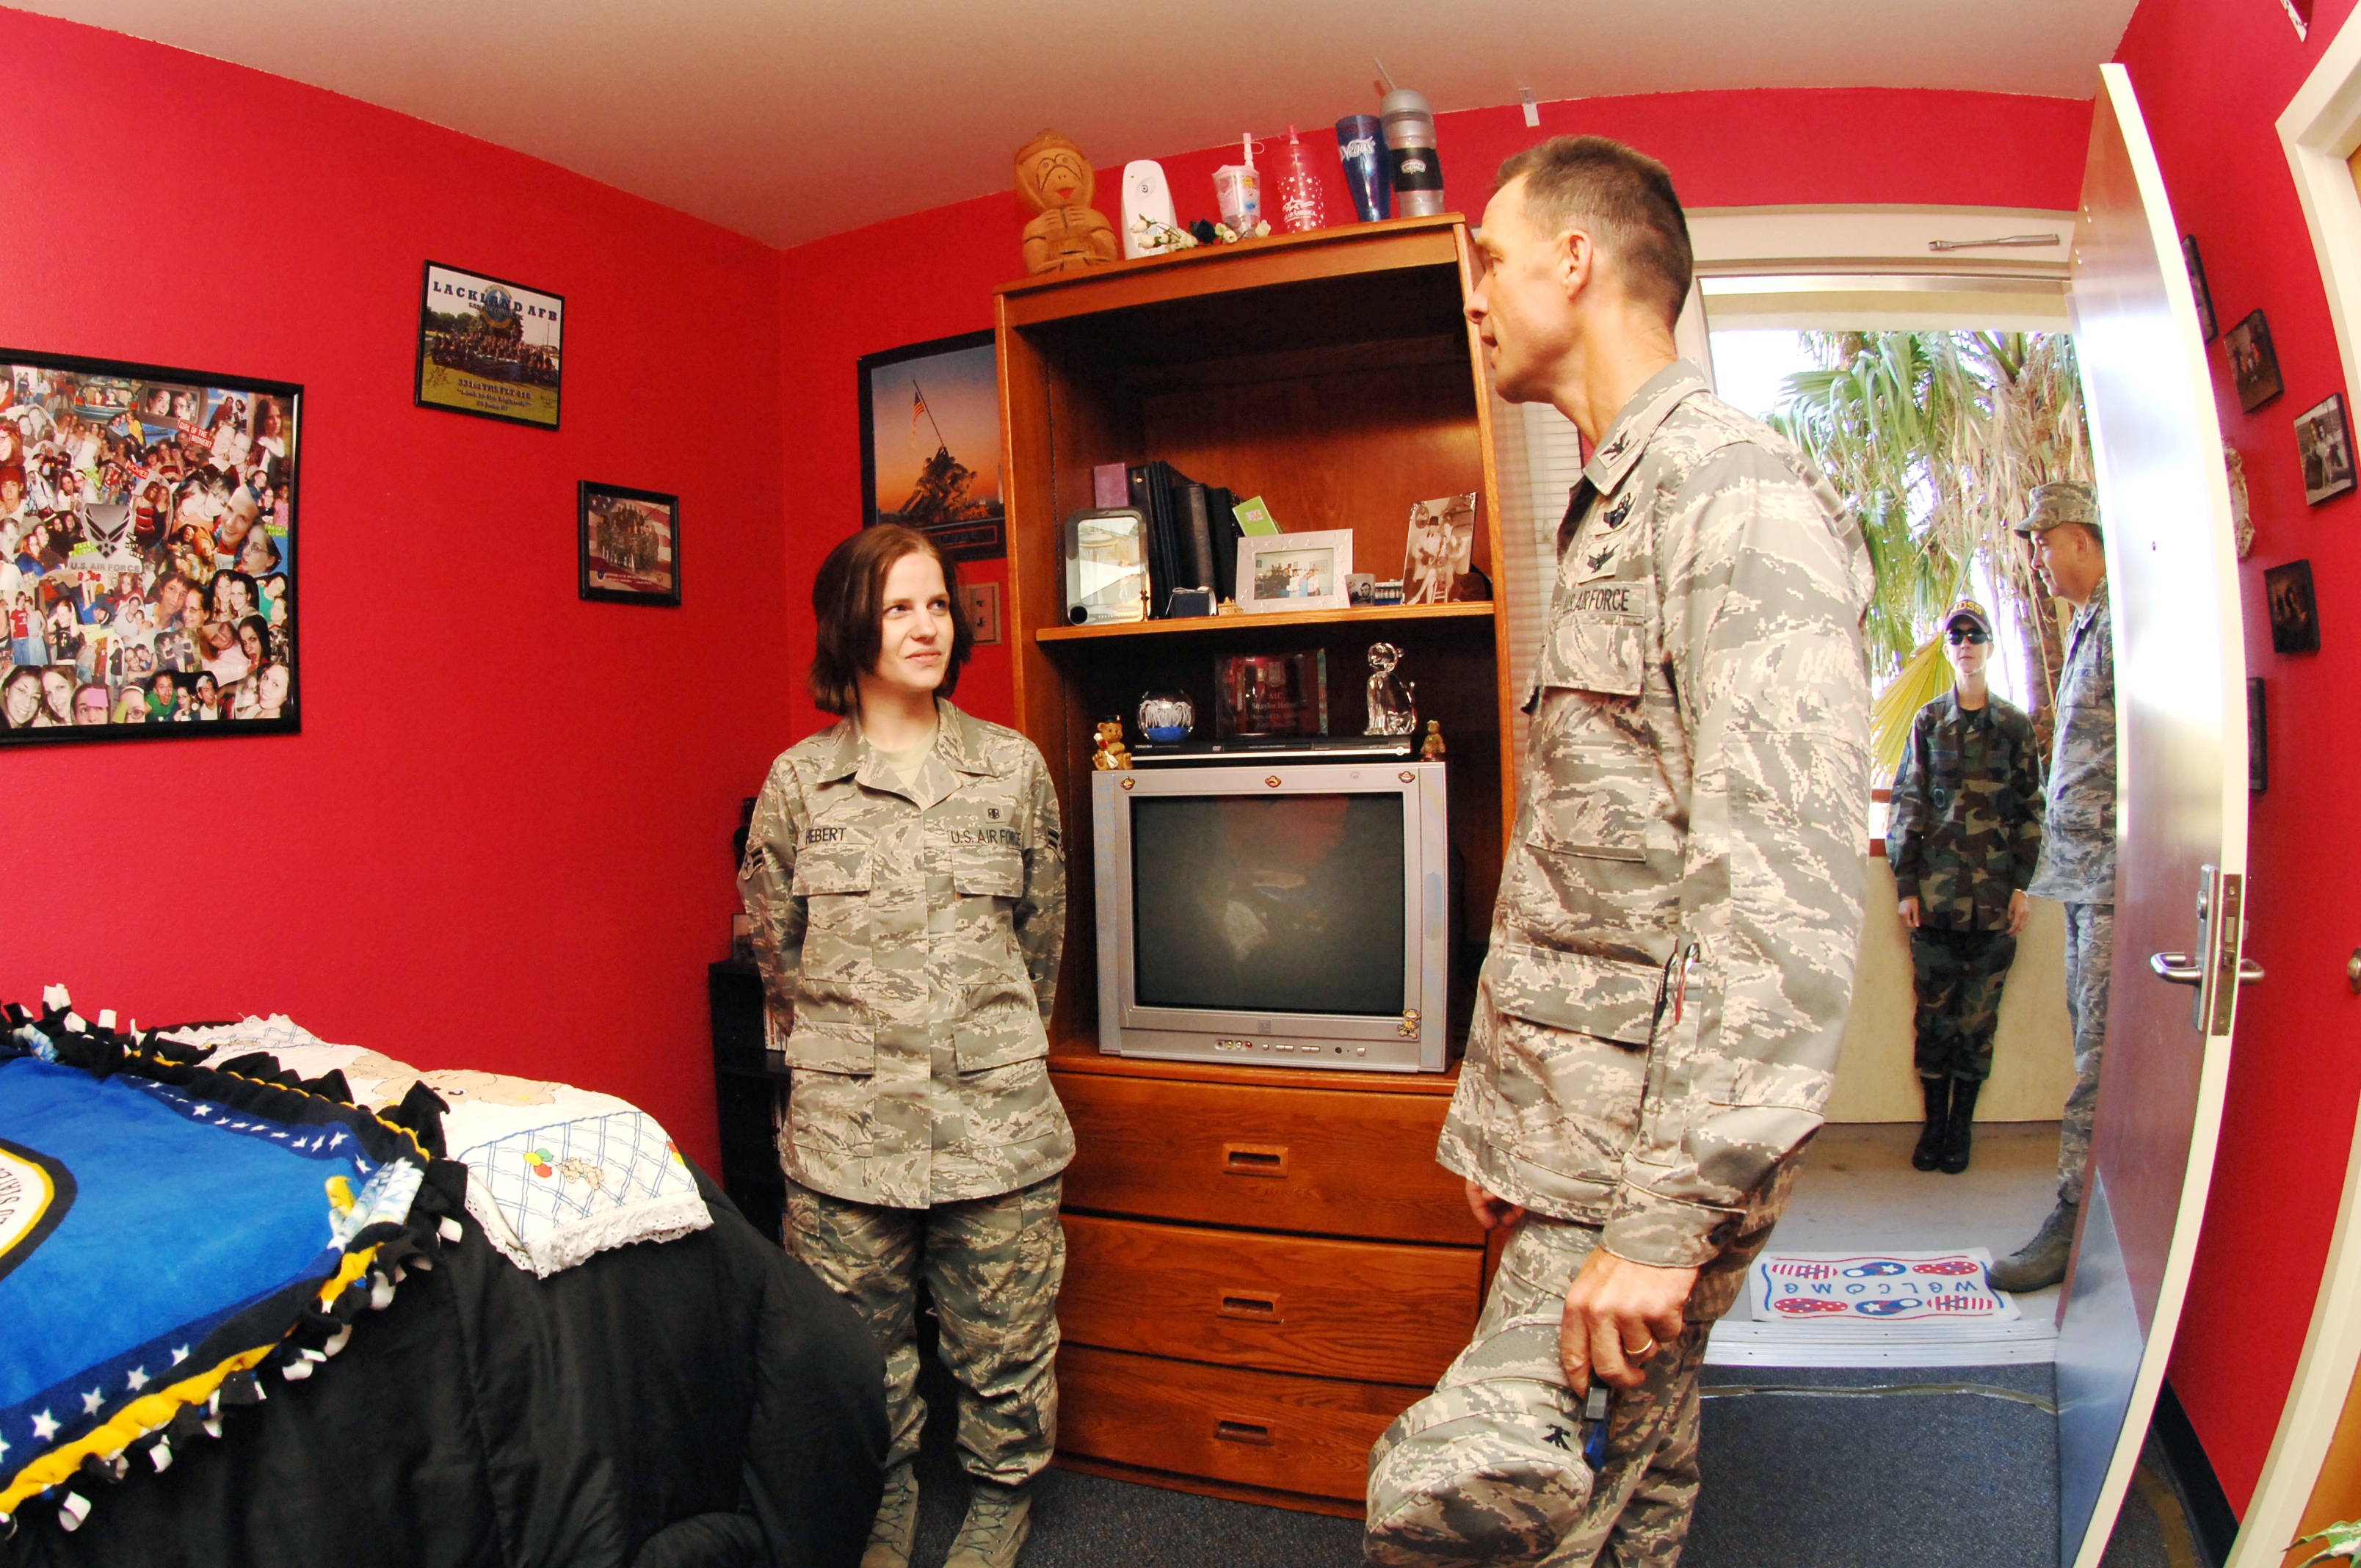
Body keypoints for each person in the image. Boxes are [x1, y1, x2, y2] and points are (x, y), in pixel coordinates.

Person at [1410, 136, 1872, 1568]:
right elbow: (1589, 866)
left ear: (1575, 258)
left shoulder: (1738, 498)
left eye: (1487, 255)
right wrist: (1497, 1117)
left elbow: (1779, 901)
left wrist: (1668, 1219)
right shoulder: (1611, 503)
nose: (1473, 293)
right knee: (1637, 1483)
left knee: (1474, 1515)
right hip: (1569, 1134)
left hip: (1641, 1157)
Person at [738, 523, 1068, 1568]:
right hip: (850, 1132)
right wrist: (860, 1047)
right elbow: (777, 957)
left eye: (938, 606)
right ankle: (884, 1491)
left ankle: (1003, 1494)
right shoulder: (798, 786)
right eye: (899, 608)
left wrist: (985, 1045)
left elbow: (1043, 945)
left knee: (1002, 1340)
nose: (928, 628)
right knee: (860, 1350)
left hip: (993, 1127)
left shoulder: (1012, 769)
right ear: (852, 625)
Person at [1990, 482, 2117, 1292]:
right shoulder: (2091, 627)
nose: (2037, 560)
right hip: (2088, 878)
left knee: (2100, 1059)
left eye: (2042, 543)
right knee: (2090, 1046)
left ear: (2078, 538)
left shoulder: (2129, 625)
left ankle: (2076, 1220)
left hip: (2122, 882)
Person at [1885, 598, 2045, 1174]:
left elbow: (2031, 808)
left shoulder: (2014, 727)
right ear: (1948, 648)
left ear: (1990, 647)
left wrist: (2023, 886)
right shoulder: (1929, 723)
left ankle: (1961, 1132)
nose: (1967, 645)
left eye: (1976, 635)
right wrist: (1906, 885)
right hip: (1936, 901)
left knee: (1978, 1024)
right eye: (1957, 636)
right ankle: (1933, 1129)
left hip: (1995, 904)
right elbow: (1908, 804)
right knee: (1933, 1021)